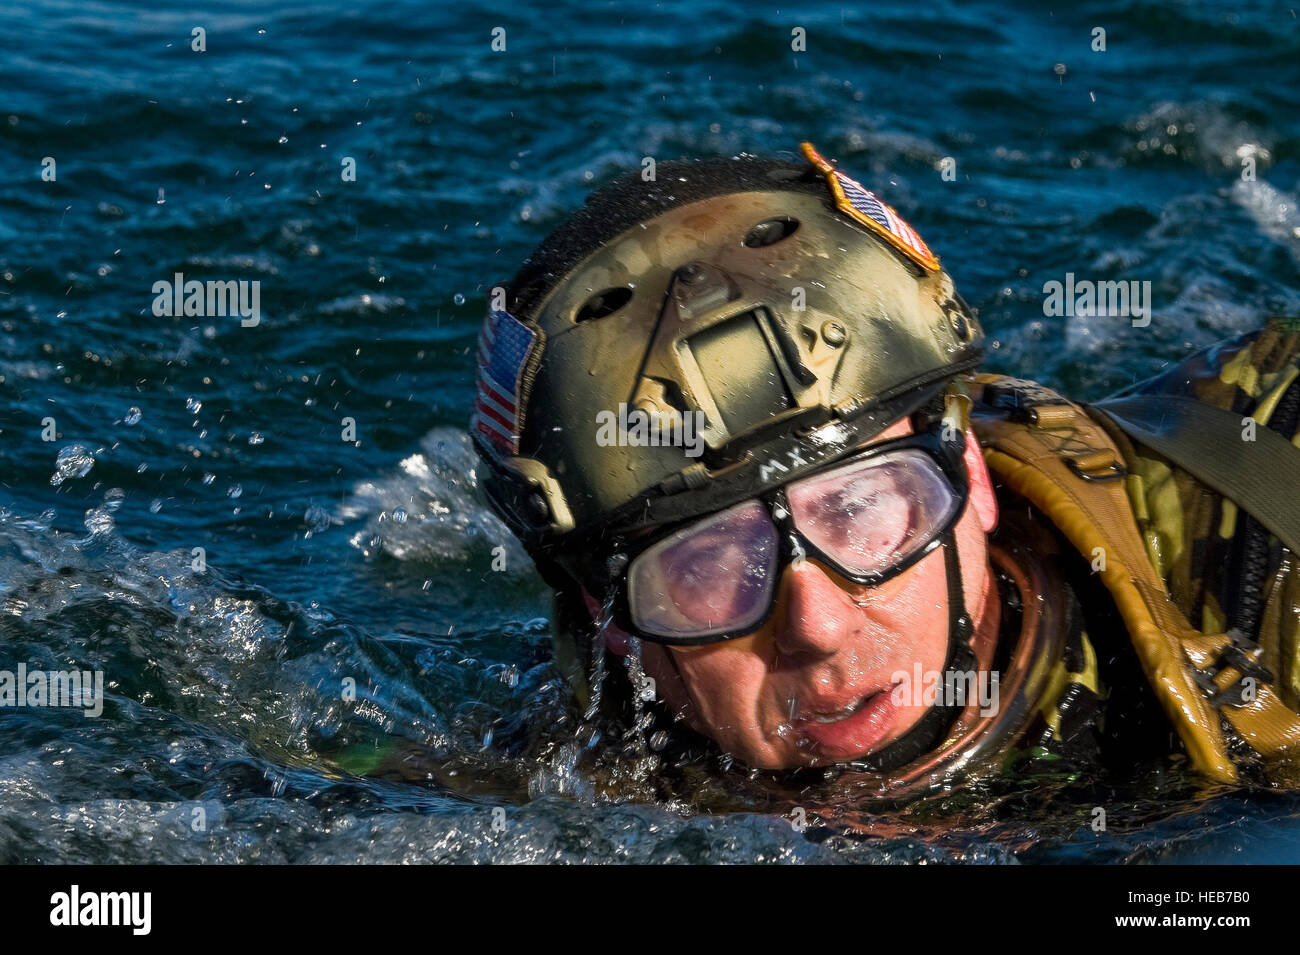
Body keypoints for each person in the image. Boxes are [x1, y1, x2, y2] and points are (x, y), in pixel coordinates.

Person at [470, 142, 1300, 800]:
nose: (817, 625)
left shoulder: (1263, 555)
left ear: (970, 472)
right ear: (607, 614)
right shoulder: (563, 782)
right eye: (712, 561)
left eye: (860, 505)